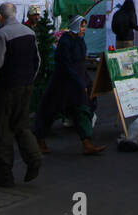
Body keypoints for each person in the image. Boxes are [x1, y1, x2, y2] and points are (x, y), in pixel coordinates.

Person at [34, 16, 105, 155]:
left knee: (82, 109)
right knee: (49, 110)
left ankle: (86, 142)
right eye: (82, 26)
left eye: (84, 26)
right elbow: (65, 65)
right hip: (62, 81)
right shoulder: (65, 42)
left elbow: (80, 60)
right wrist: (79, 81)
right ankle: (39, 140)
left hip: (77, 79)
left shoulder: (79, 40)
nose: (84, 30)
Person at [0, 2, 42, 187]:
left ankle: (4, 173)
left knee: (3, 128)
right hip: (26, 84)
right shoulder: (29, 32)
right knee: (22, 124)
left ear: (0, 16)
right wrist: (29, 78)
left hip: (8, 85)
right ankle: (34, 157)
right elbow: (37, 60)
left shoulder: (2, 34)